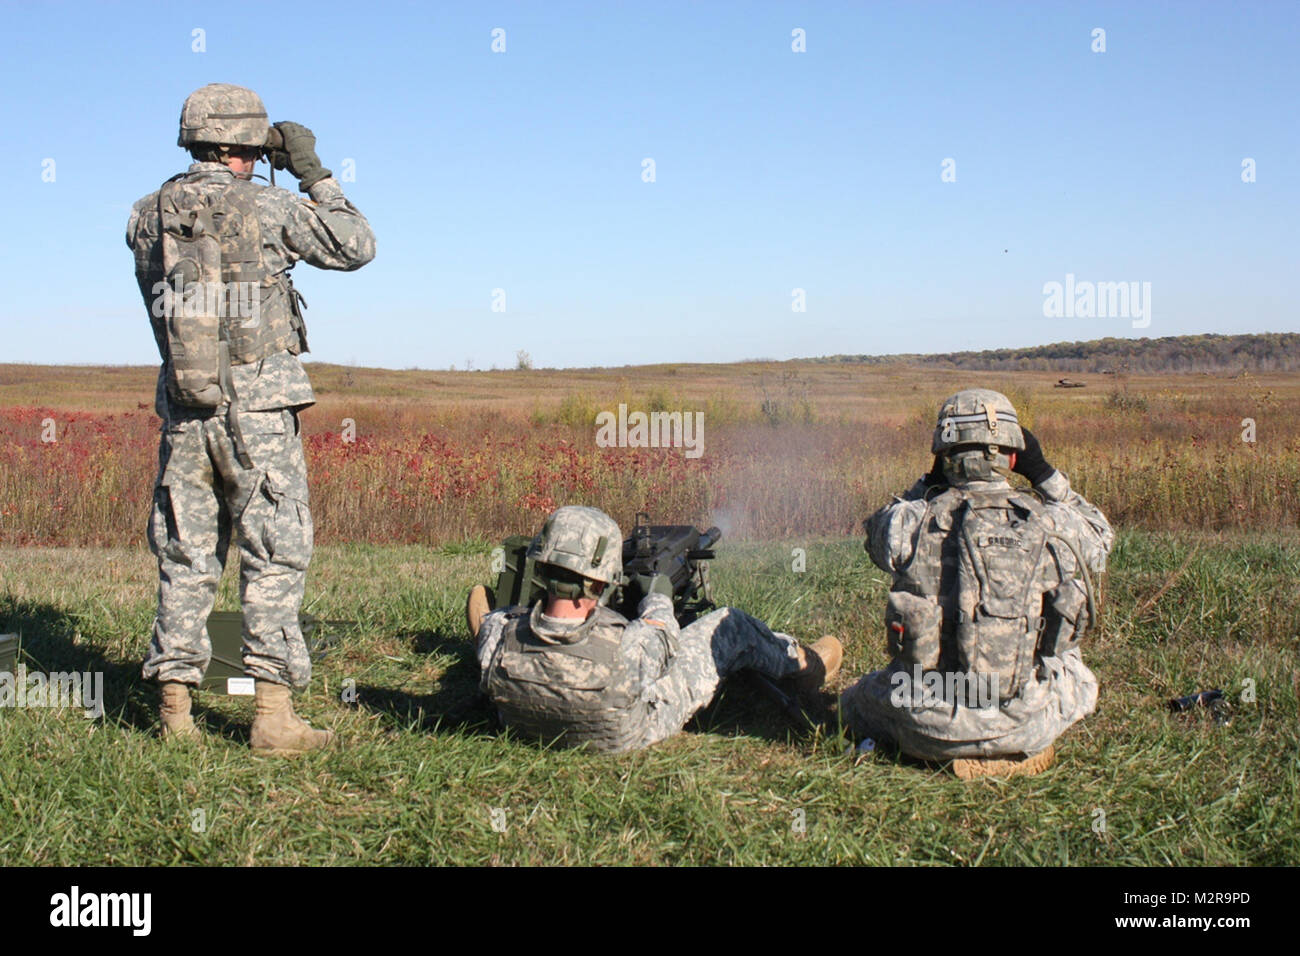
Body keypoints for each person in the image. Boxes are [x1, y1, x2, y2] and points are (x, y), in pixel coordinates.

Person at [127, 83, 375, 753]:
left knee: (184, 555)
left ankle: (175, 713)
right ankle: (271, 717)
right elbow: (356, 245)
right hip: (258, 413)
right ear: (246, 144)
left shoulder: (146, 214)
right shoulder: (268, 205)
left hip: (185, 412)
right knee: (274, 556)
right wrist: (313, 172)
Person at [840, 389, 1113, 778]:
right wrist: (1043, 474)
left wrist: (930, 482)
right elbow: (1101, 535)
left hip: (929, 725)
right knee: (1075, 668)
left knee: (859, 695)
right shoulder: (1052, 524)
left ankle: (947, 748)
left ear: (943, 454)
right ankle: (1010, 749)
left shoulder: (910, 522)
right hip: (1021, 722)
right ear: (1013, 455)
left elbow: (873, 533)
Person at [468, 505, 843, 753]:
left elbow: (497, 624)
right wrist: (659, 597)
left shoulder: (498, 635)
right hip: (630, 732)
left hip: (524, 724)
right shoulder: (626, 649)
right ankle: (805, 665)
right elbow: (661, 635)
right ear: (600, 580)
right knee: (730, 626)